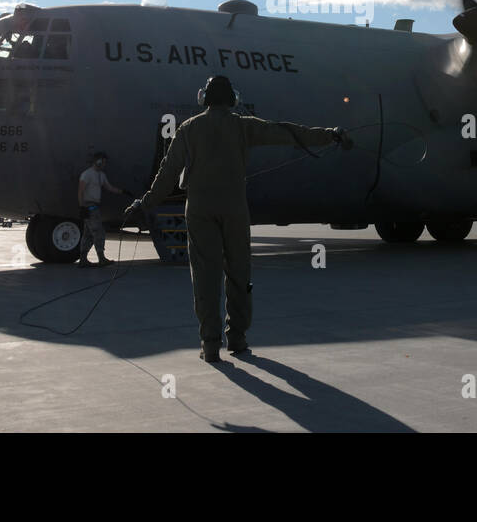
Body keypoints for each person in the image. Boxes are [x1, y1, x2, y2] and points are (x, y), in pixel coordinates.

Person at [130, 75, 349, 363]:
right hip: (234, 207)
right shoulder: (244, 126)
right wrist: (329, 134)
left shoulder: (187, 129)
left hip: (199, 208)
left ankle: (210, 345)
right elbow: (286, 132)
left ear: (203, 98)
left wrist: (144, 203)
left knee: (205, 278)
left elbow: (167, 173)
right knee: (240, 275)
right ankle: (238, 338)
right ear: (232, 99)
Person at [77, 153, 124, 267]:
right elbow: (80, 191)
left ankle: (83, 259)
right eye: (103, 162)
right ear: (97, 161)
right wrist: (82, 206)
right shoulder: (87, 174)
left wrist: (122, 191)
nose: (104, 164)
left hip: (94, 207)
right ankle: (101, 258)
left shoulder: (101, 175)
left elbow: (109, 187)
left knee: (88, 234)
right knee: (99, 232)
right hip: (89, 207)